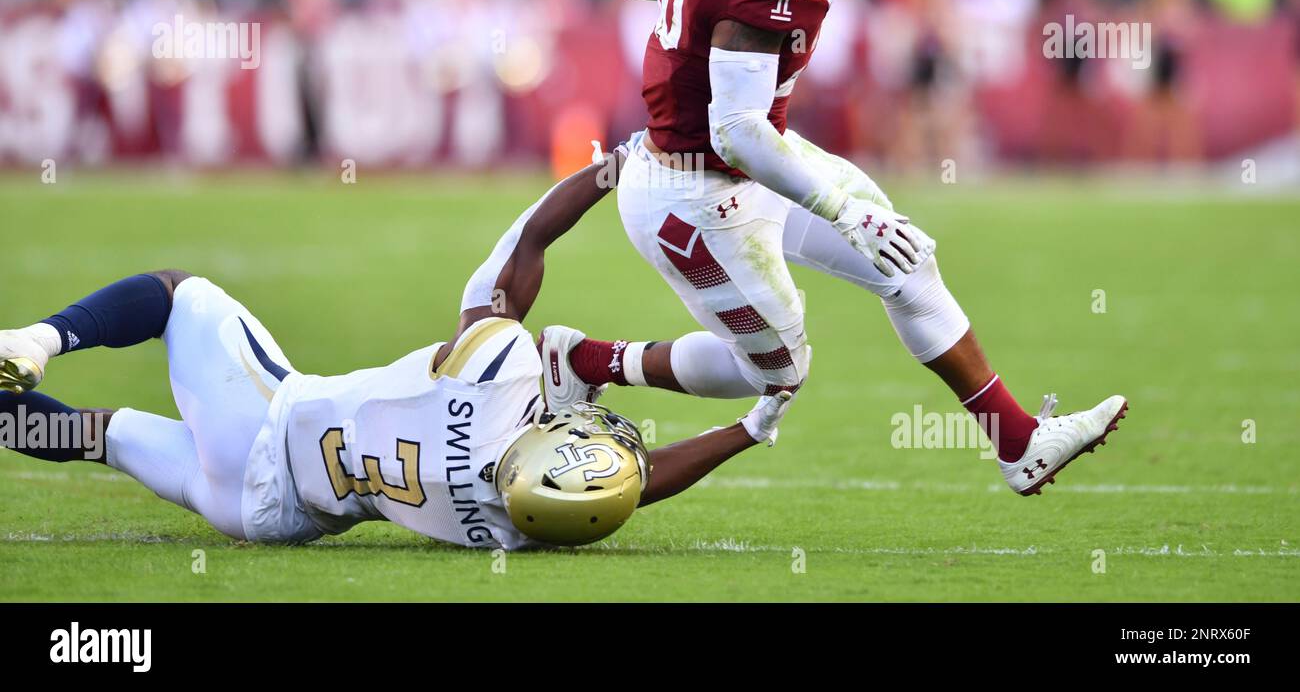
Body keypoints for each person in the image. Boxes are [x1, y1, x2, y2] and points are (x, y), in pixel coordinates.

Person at [552, 0, 1126, 495]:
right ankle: (583, 363)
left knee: (905, 263)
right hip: (693, 193)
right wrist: (842, 210)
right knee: (774, 374)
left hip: (743, 164)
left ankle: (1019, 443)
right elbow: (735, 132)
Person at [0, 148, 792, 548]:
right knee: (96, 434)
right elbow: (631, 486)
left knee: (177, 293)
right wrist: (750, 429)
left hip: (268, 422)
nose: (593, 432)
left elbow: (522, 248)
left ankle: (37, 340)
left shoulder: (495, 374)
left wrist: (613, 167)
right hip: (266, 517)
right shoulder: (516, 525)